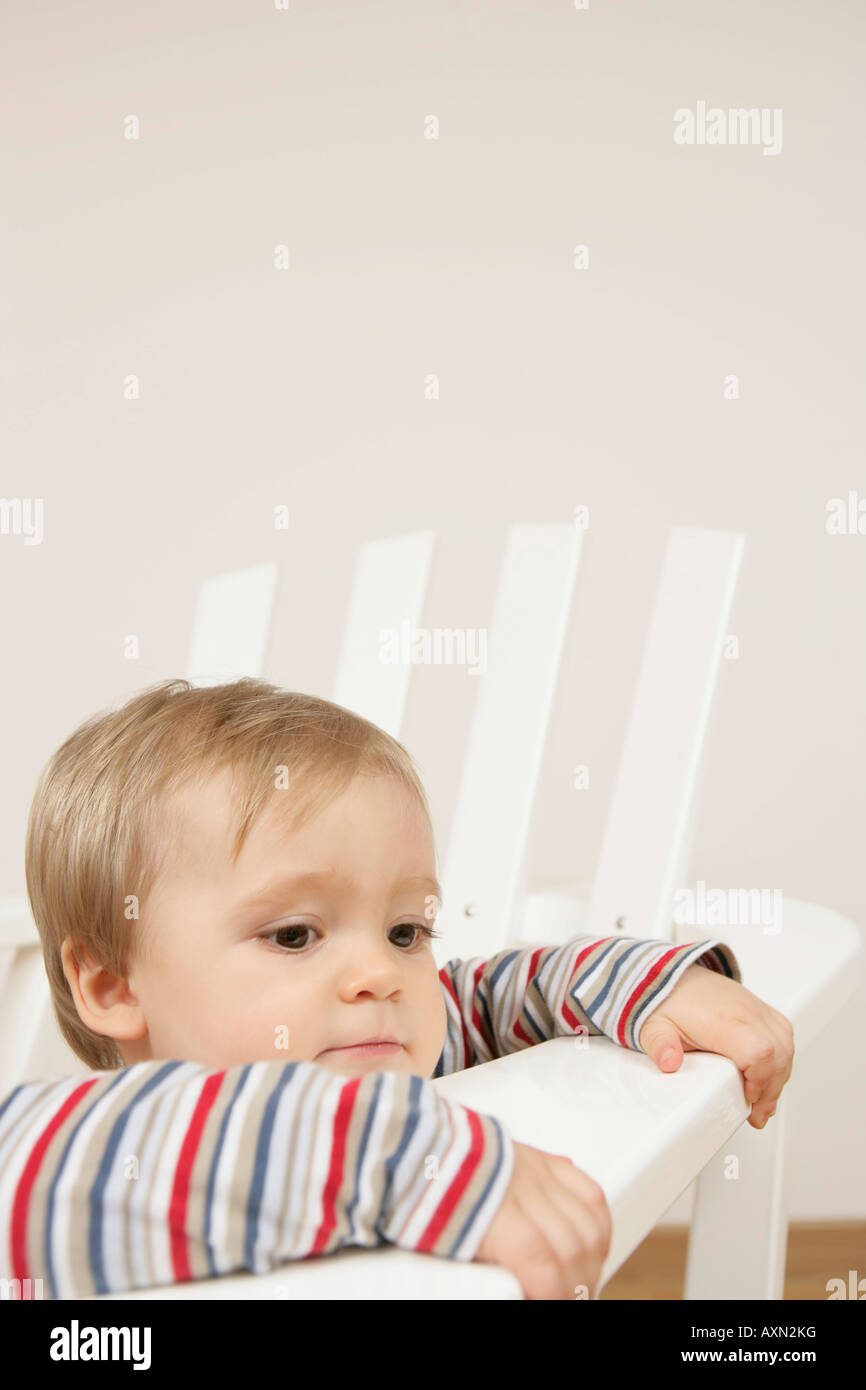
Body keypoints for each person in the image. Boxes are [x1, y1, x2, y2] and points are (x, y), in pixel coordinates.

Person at [0, 679, 793, 1301]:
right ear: (112, 984)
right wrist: (381, 1147)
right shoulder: (86, 1170)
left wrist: (638, 984)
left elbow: (483, 999)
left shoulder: (368, 1042)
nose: (382, 973)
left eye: (406, 931)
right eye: (294, 935)